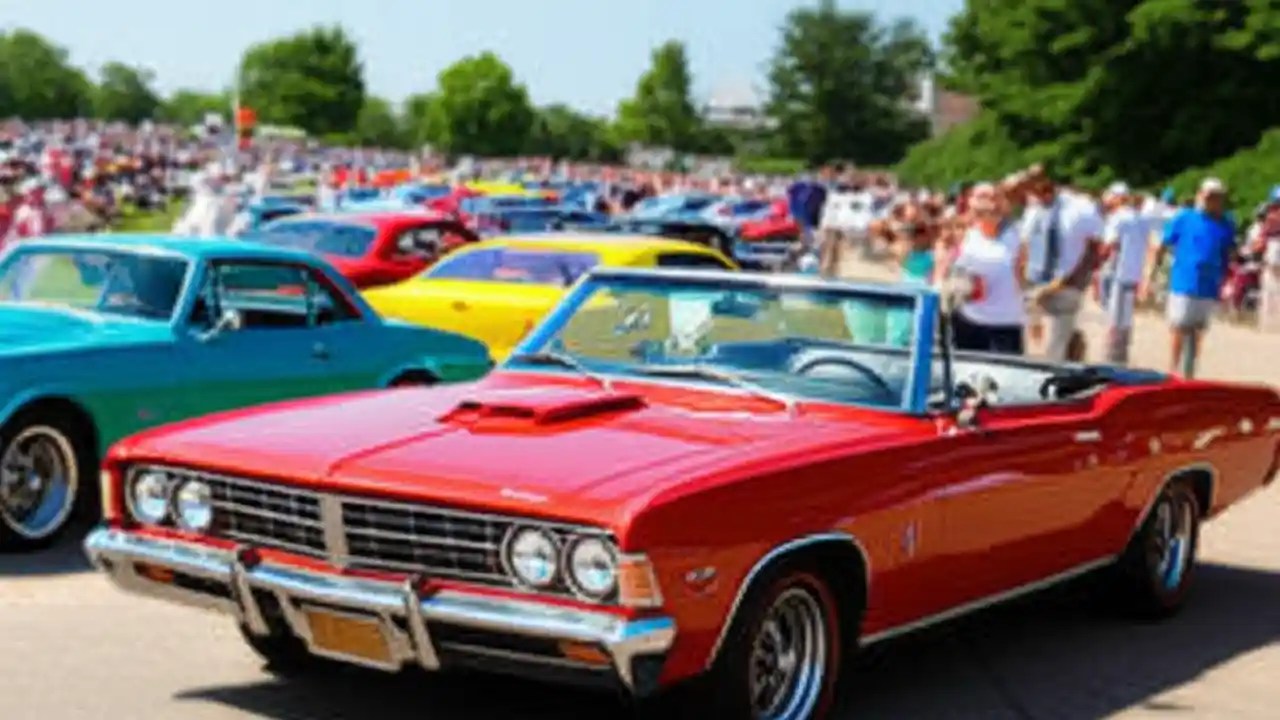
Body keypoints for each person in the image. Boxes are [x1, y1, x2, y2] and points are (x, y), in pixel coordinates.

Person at [1146, 177, 1236, 377]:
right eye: (1208, 196)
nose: (1211, 201)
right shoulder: (1184, 217)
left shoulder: (1226, 223)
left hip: (1209, 283)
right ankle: (1173, 368)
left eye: (1216, 197)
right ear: (1200, 195)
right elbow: (1163, 245)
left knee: (1198, 329)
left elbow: (1227, 253)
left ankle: (1189, 370)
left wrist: (1225, 280)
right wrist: (1151, 275)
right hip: (1184, 280)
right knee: (1179, 326)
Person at [1020, 166, 1104, 361]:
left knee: (1056, 346)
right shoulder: (1033, 210)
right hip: (1034, 282)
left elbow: (1096, 244)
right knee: (1032, 344)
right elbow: (1024, 246)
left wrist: (1078, 280)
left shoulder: (1080, 207)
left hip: (1067, 281)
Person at [946, 182, 1027, 354]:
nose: (990, 204)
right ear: (970, 202)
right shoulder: (961, 233)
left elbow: (1023, 277)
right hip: (968, 319)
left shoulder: (1017, 235)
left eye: (995, 198)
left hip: (1006, 321)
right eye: (983, 198)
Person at [1098, 182, 1147, 364]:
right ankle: (1122, 355)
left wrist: (1097, 264)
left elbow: (1109, 246)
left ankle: (1111, 358)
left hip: (1117, 272)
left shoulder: (1118, 218)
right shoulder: (1139, 218)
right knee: (1125, 318)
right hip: (1133, 273)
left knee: (1113, 318)